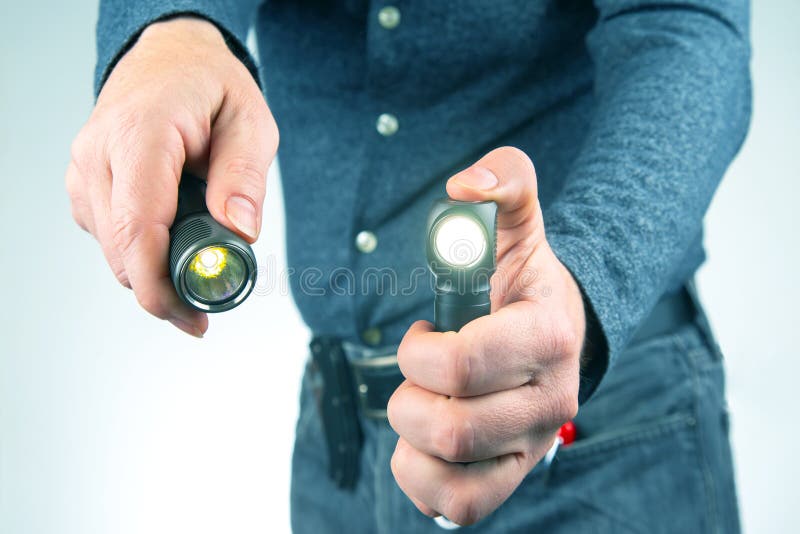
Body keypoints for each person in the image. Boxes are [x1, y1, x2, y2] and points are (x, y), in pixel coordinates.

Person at [65, 1, 751, 532]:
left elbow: (681, 22)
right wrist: (168, 28)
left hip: (595, 426)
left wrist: (586, 275)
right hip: (338, 449)